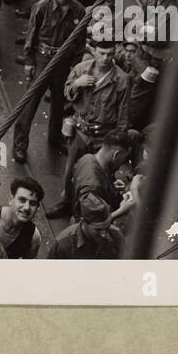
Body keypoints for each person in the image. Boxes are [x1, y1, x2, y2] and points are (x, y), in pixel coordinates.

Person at [45, 33, 132, 217]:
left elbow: (123, 115)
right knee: (70, 170)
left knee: (100, 175)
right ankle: (66, 203)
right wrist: (77, 84)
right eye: (101, 53)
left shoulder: (121, 80)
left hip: (104, 137)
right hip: (81, 131)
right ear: (93, 51)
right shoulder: (81, 69)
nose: (105, 58)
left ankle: (90, 211)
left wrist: (117, 143)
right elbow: (66, 93)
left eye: (110, 53)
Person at [12, 0, 86, 164]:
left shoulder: (78, 10)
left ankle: (54, 138)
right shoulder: (42, 7)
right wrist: (29, 62)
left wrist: (75, 68)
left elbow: (80, 42)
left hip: (63, 62)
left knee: (59, 103)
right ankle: (20, 144)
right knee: (30, 103)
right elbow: (31, 35)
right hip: (42, 60)